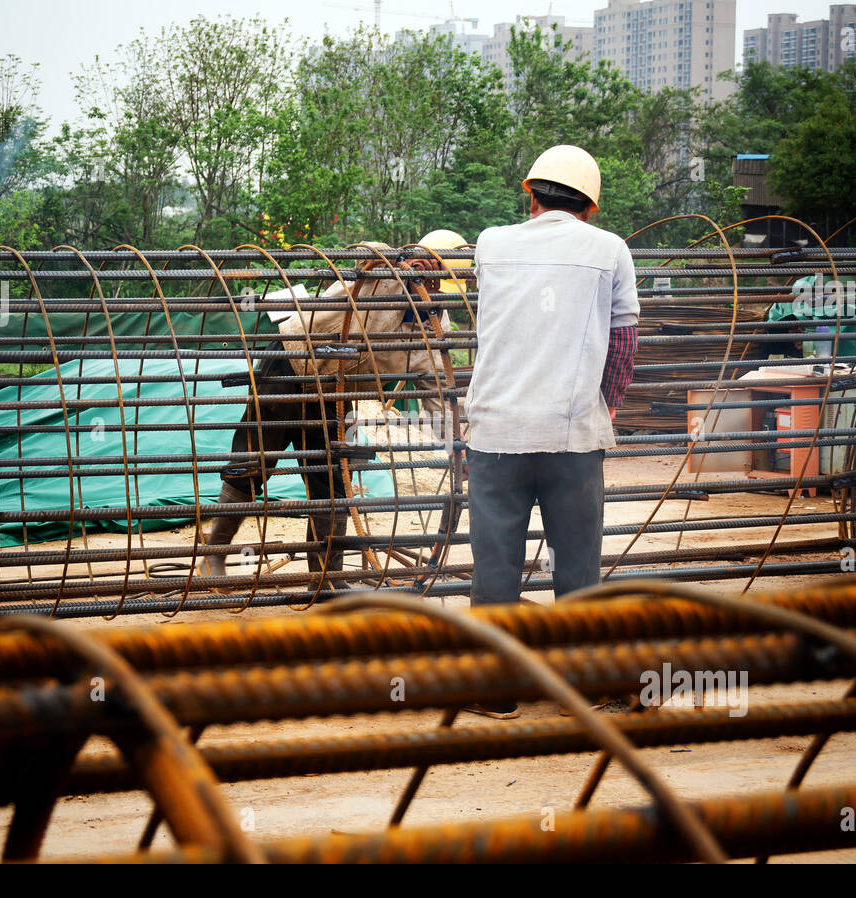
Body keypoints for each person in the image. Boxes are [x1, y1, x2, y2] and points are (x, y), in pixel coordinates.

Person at [461, 145, 640, 718]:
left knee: (495, 562)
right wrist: (600, 415)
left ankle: (495, 689)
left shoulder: (491, 243)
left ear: (531, 196)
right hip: (572, 438)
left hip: (495, 433)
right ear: (590, 206)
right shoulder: (611, 250)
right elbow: (623, 348)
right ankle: (579, 687)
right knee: (578, 563)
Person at [201, 231, 471, 588]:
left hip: (335, 393)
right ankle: (213, 556)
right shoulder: (385, 274)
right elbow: (363, 252)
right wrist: (399, 262)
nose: (434, 293)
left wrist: (455, 441)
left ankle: (326, 577)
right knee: (254, 460)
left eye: (442, 289)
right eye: (434, 280)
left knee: (330, 482)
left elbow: (438, 392)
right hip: (290, 362)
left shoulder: (436, 328)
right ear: (427, 266)